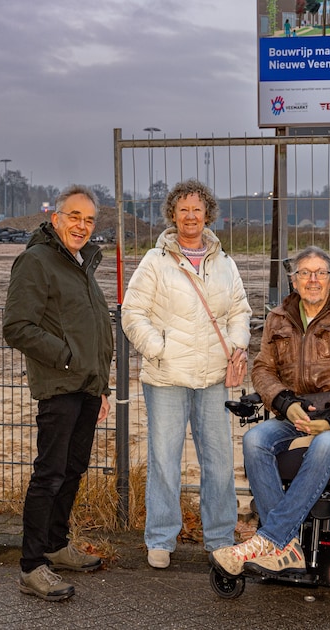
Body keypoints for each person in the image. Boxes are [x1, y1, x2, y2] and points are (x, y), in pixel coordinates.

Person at [210, 246, 330, 577]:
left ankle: (270, 540)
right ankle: (287, 549)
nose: (313, 279)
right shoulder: (279, 318)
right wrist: (285, 404)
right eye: (305, 273)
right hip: (297, 411)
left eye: (321, 273)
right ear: (294, 281)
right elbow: (262, 371)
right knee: (255, 439)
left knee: (325, 444)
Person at [122, 179, 251, 570]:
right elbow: (132, 313)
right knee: (163, 459)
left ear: (207, 214)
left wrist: (235, 345)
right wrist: (157, 349)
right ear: (172, 216)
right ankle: (160, 538)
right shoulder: (155, 261)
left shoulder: (224, 263)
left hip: (213, 378)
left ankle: (220, 537)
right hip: (166, 379)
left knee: (219, 461)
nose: (191, 216)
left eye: (197, 209)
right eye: (183, 210)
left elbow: (240, 311)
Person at [2, 185, 114, 602]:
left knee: (72, 470)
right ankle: (32, 566)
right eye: (74, 216)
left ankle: (55, 544)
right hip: (59, 386)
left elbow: (94, 330)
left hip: (86, 387)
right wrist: (66, 358)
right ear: (55, 218)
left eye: (89, 219)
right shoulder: (37, 262)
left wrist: (101, 385)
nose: (82, 225)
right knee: (49, 474)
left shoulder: (81, 264)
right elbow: (16, 326)